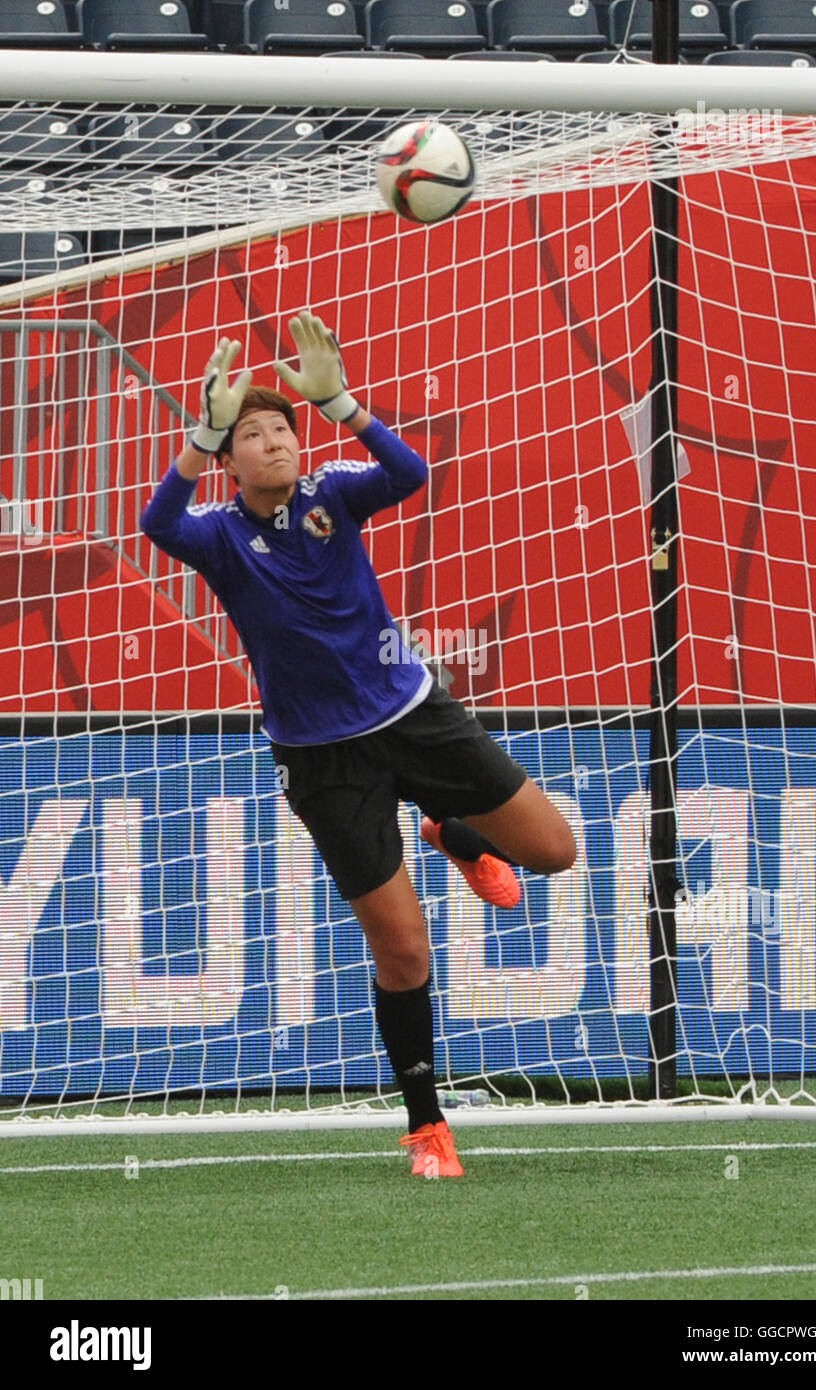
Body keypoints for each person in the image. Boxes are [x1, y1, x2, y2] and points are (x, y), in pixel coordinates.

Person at [141, 313, 576, 1177]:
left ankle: (452, 831)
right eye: (252, 435)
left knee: (554, 852)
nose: (272, 443)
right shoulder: (219, 535)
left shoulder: (332, 492)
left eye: (280, 429)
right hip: (323, 758)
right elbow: (158, 521)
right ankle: (427, 1126)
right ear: (230, 462)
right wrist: (197, 438)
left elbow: (409, 472)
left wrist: (337, 401)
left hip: (413, 713)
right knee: (404, 950)